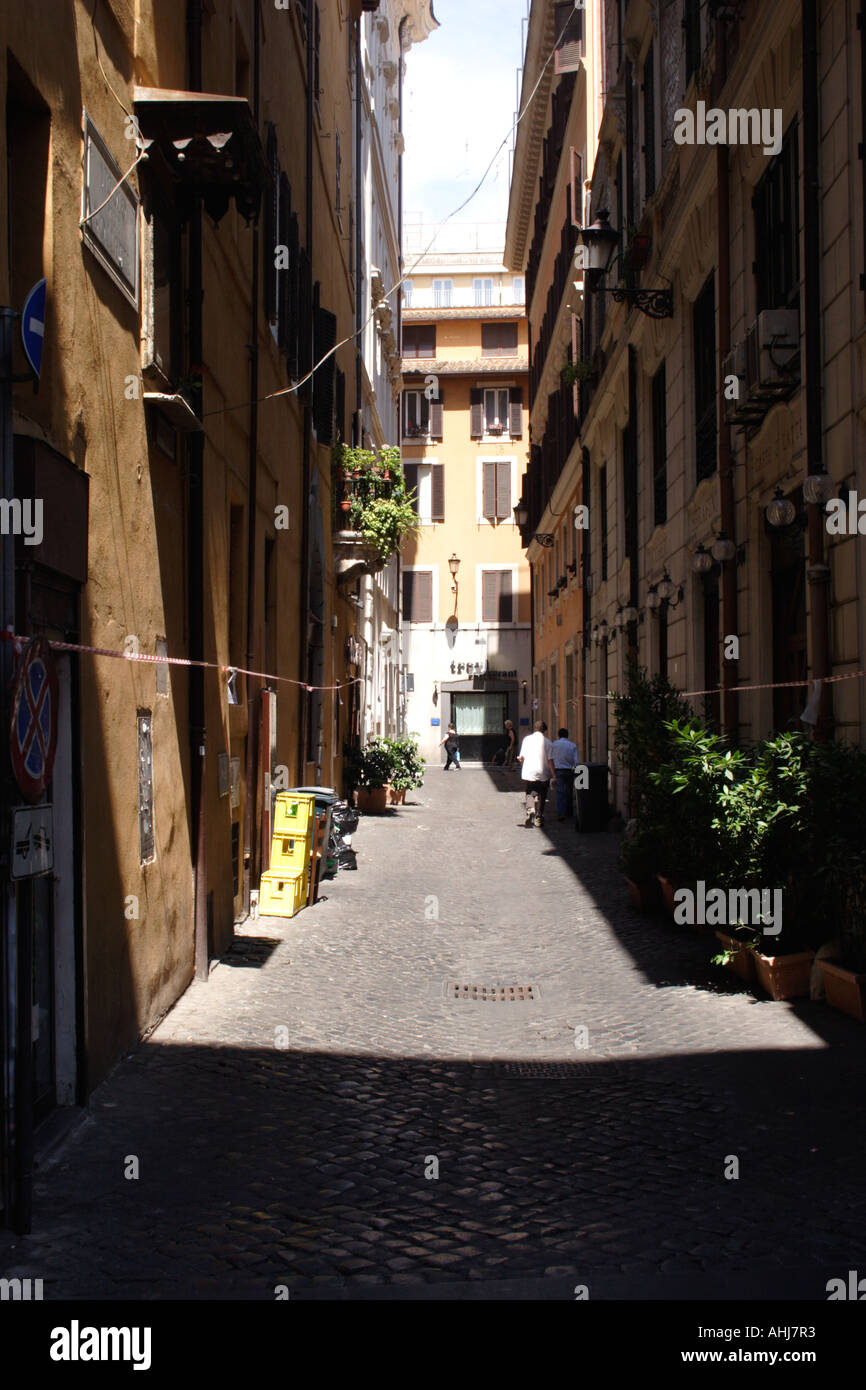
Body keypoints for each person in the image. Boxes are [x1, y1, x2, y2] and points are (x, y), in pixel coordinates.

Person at [517, 720, 556, 827]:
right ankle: (539, 816)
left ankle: (530, 811)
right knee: (542, 795)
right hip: (543, 772)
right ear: (545, 730)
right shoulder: (548, 742)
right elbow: (550, 760)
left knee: (530, 793)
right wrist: (554, 775)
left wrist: (521, 760)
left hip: (530, 772)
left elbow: (522, 757)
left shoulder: (527, 740)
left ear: (535, 728)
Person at [550, 727, 580, 820]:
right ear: (567, 735)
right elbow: (576, 761)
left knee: (560, 792)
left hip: (558, 770)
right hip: (569, 770)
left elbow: (551, 758)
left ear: (558, 735)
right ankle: (569, 812)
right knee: (569, 791)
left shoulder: (554, 745)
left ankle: (561, 813)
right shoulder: (572, 745)